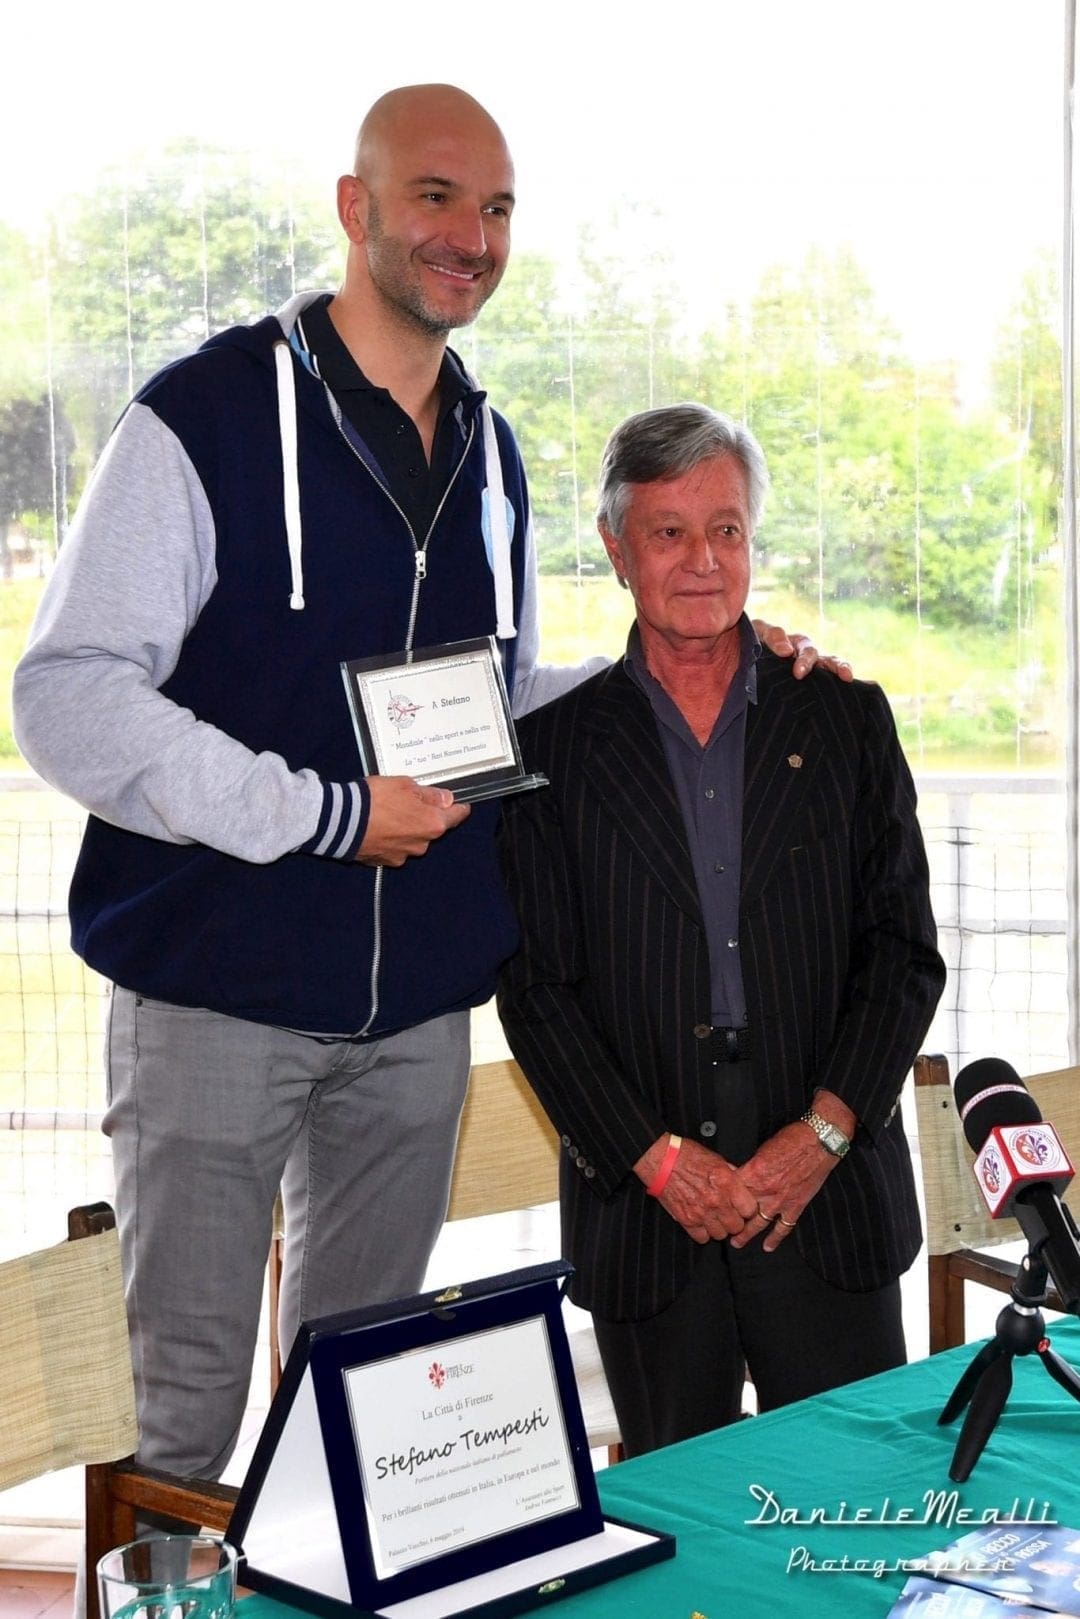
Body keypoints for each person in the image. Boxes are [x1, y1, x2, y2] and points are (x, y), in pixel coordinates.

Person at [14, 89, 840, 1486]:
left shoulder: (493, 452)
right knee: (185, 1415)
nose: (471, 235)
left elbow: (499, 690)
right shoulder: (202, 417)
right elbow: (68, 691)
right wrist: (328, 812)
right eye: (439, 197)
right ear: (357, 207)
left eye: (498, 209)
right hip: (213, 995)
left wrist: (686, 651)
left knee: (355, 1400)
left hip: (411, 1027)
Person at [497, 403, 946, 1458]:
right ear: (616, 549)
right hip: (646, 1193)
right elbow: (535, 991)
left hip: (824, 1179)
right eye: (668, 532)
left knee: (850, 1502)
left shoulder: (843, 716)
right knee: (678, 1522)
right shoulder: (551, 751)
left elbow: (904, 950)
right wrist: (654, 1160)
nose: (703, 561)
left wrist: (826, 1130)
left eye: (727, 529)